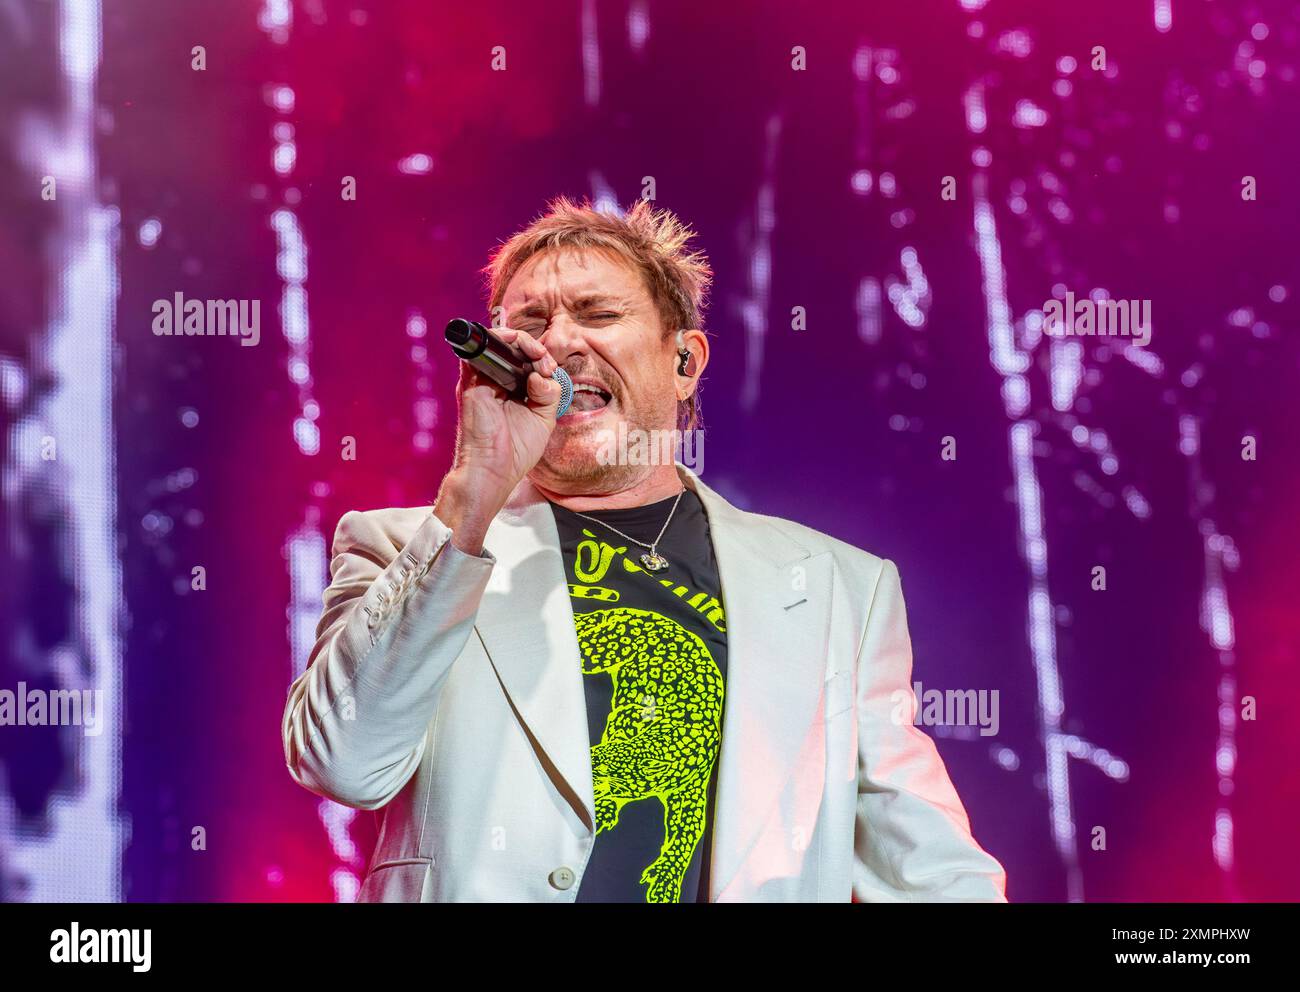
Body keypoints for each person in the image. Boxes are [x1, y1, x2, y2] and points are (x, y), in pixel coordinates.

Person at [281, 195, 1007, 903]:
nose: (559, 344)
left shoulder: (838, 586)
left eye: (598, 314)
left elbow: (923, 862)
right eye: (530, 323)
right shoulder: (406, 548)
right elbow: (343, 763)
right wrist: (474, 491)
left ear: (685, 360)